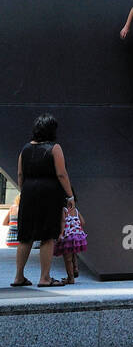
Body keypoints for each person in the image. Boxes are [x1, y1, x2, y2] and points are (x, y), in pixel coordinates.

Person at [12, 114, 75, 288]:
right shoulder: (54, 148)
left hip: (28, 191)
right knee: (48, 236)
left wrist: (25, 192)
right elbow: (61, 174)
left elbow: (20, 174)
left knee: (25, 236)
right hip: (49, 193)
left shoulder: (24, 149)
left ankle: (19, 277)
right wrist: (70, 196)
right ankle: (45, 278)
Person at [54, 189, 87, 283]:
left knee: (67, 258)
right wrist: (76, 227)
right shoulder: (76, 210)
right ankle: (75, 268)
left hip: (67, 236)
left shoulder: (64, 210)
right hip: (77, 236)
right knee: (74, 254)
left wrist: (60, 234)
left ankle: (70, 278)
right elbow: (83, 222)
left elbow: (63, 222)